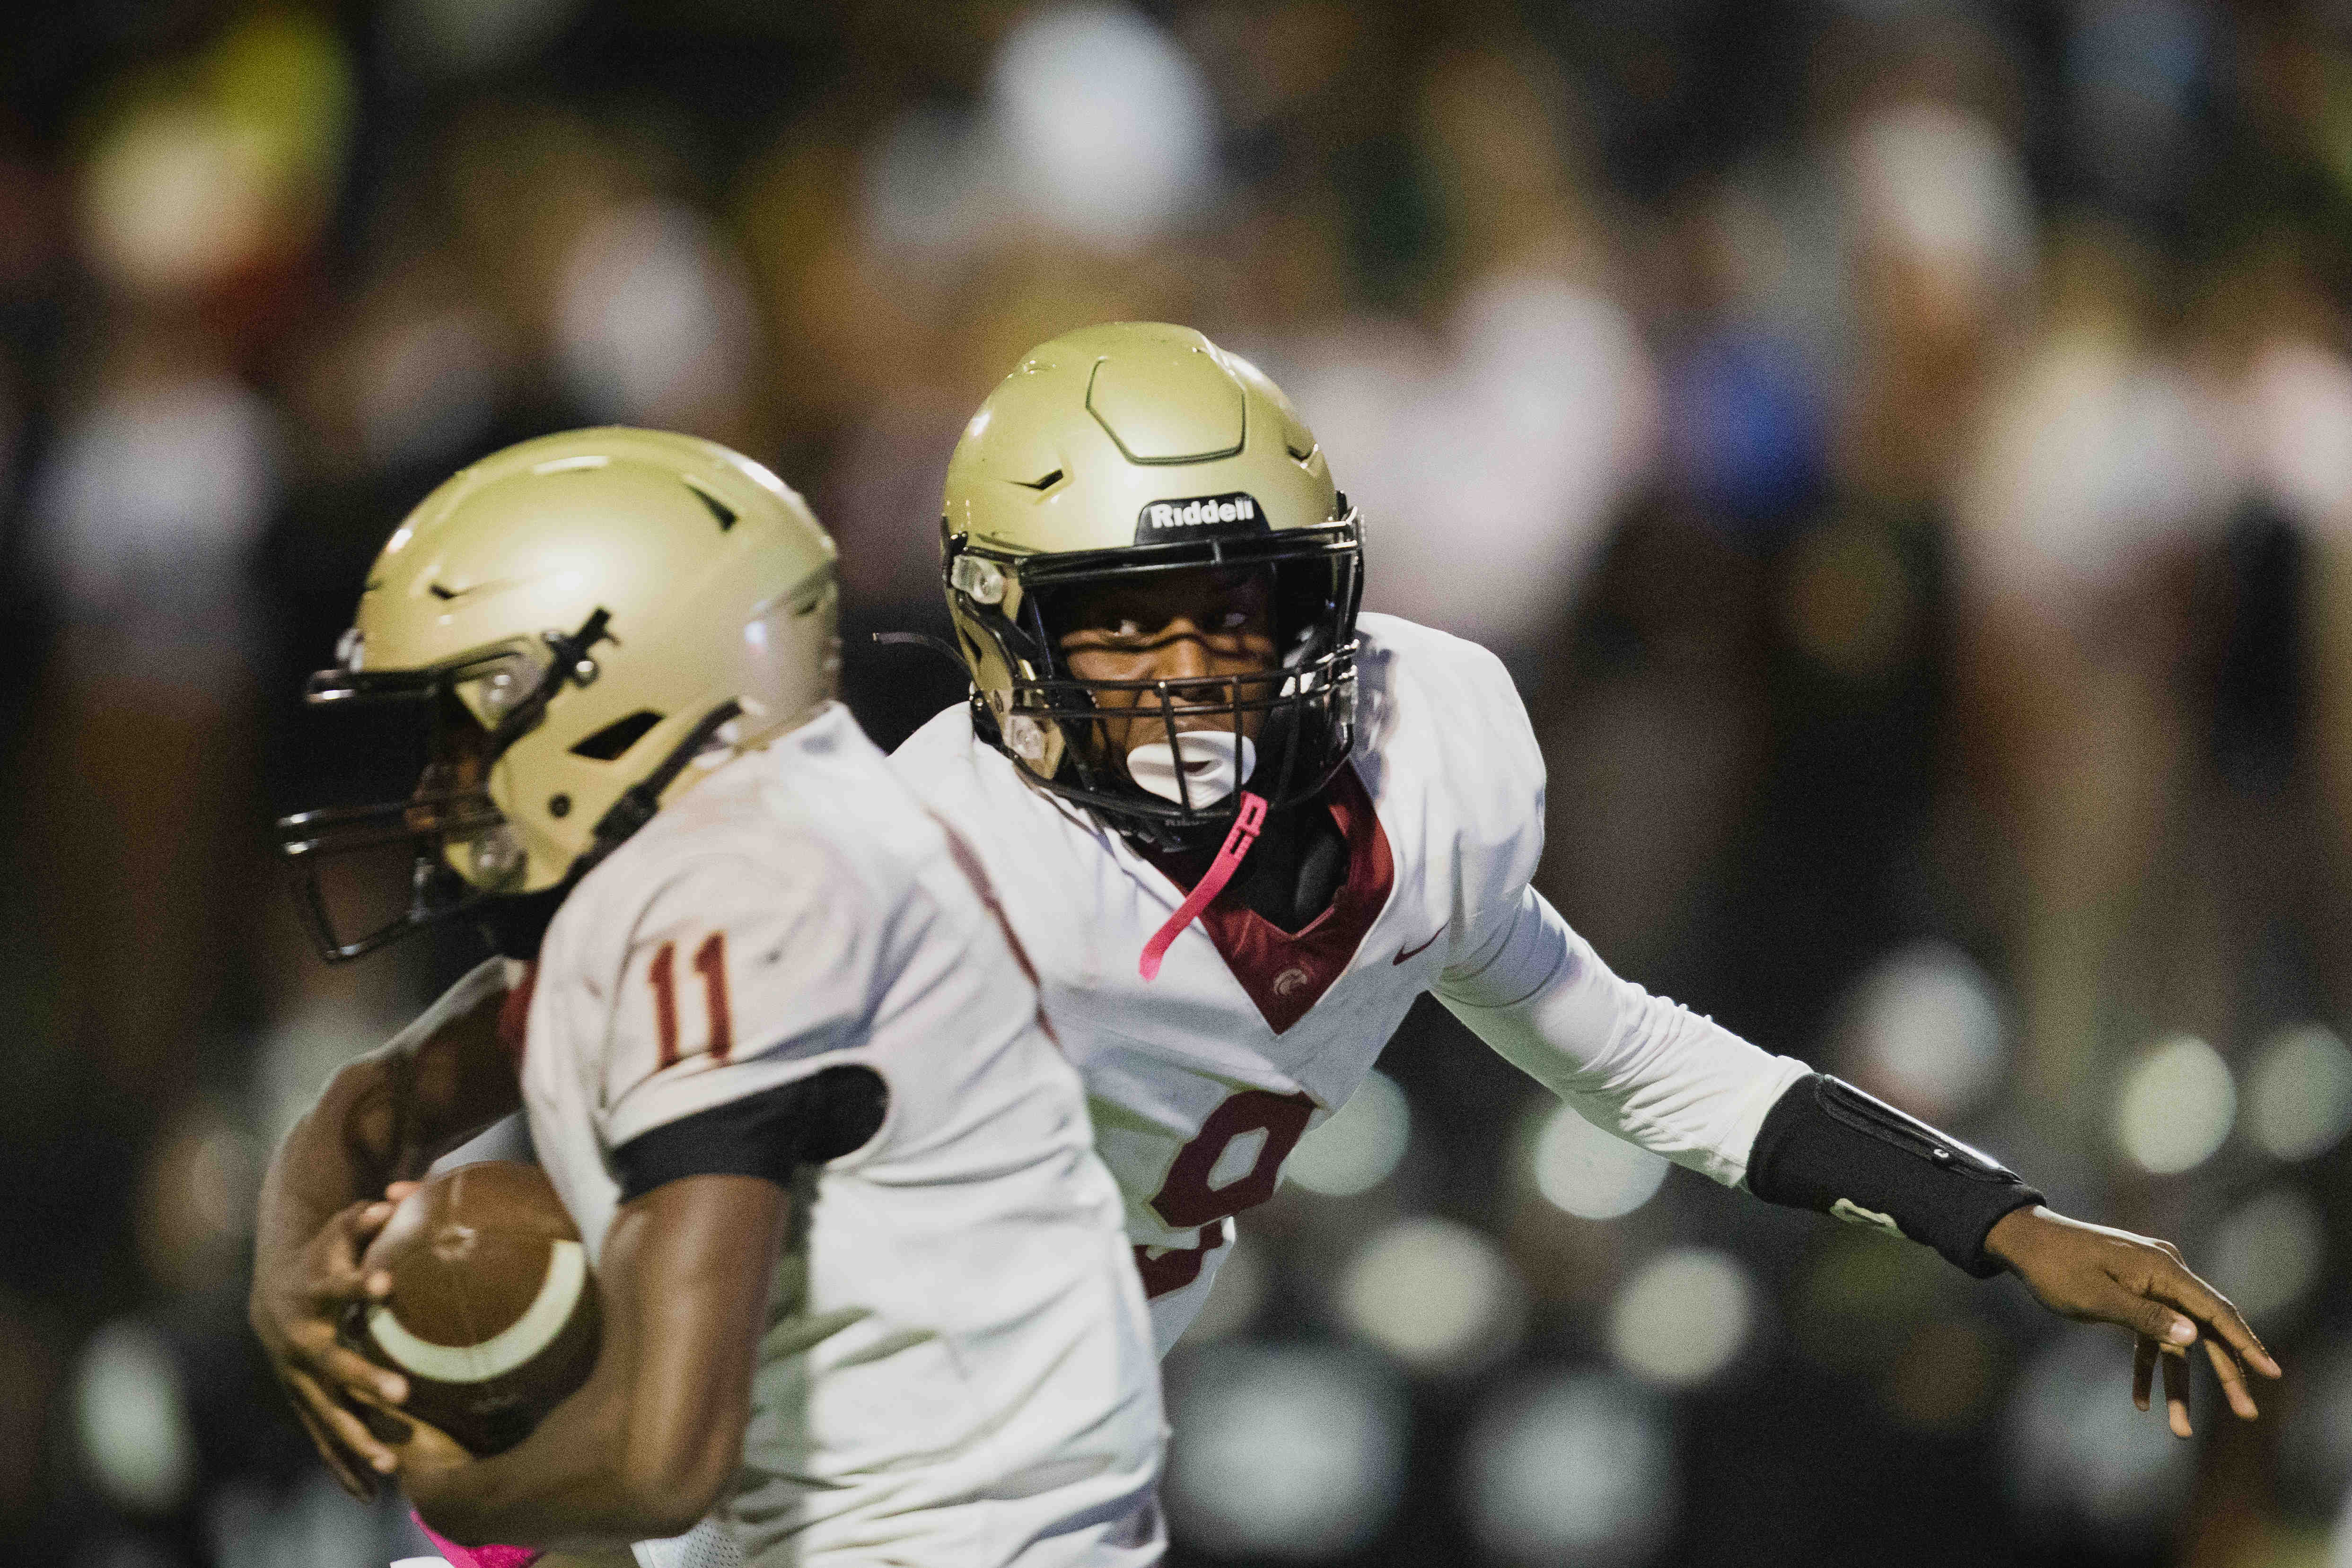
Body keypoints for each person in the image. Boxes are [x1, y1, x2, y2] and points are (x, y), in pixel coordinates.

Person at [262, 329, 2275, 1535]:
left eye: (1233, 603)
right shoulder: (900, 861)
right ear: (1005, 635)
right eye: (1125, 620)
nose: (1194, 662)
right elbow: (421, 1081)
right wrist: (310, 1243)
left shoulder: (1426, 756)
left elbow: (1624, 1043)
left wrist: (1995, 1217)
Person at [250, 428, 1164, 1568]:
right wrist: (288, 1284)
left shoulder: (755, 931)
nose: (434, 801)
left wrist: (451, 1485)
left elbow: (660, 1463)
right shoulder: (719, 865)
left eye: (468, 737)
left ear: (612, 710)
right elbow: (378, 1107)